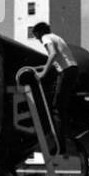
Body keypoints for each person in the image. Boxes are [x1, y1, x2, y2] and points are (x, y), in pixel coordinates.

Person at [29, 21, 79, 150]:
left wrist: (43, 73)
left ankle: (59, 144)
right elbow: (56, 60)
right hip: (72, 70)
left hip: (66, 72)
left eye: (37, 36)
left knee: (56, 107)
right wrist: (38, 68)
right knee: (60, 106)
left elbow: (53, 54)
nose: (39, 40)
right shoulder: (56, 37)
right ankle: (64, 136)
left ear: (40, 33)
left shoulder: (46, 38)